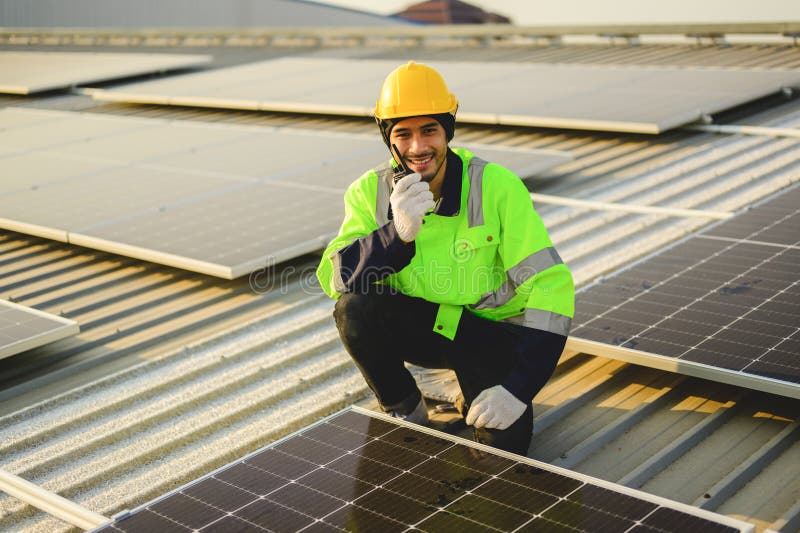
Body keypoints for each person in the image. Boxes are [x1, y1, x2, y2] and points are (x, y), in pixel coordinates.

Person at [316, 61, 574, 455]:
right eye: (403, 134)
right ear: (387, 137)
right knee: (354, 308)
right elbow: (335, 279)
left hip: (489, 336)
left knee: (504, 448)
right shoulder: (368, 192)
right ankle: (405, 406)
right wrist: (395, 236)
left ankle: (463, 385)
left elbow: (551, 288)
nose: (418, 147)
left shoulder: (496, 186)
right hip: (429, 327)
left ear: (448, 129)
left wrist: (518, 387)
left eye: (429, 130)